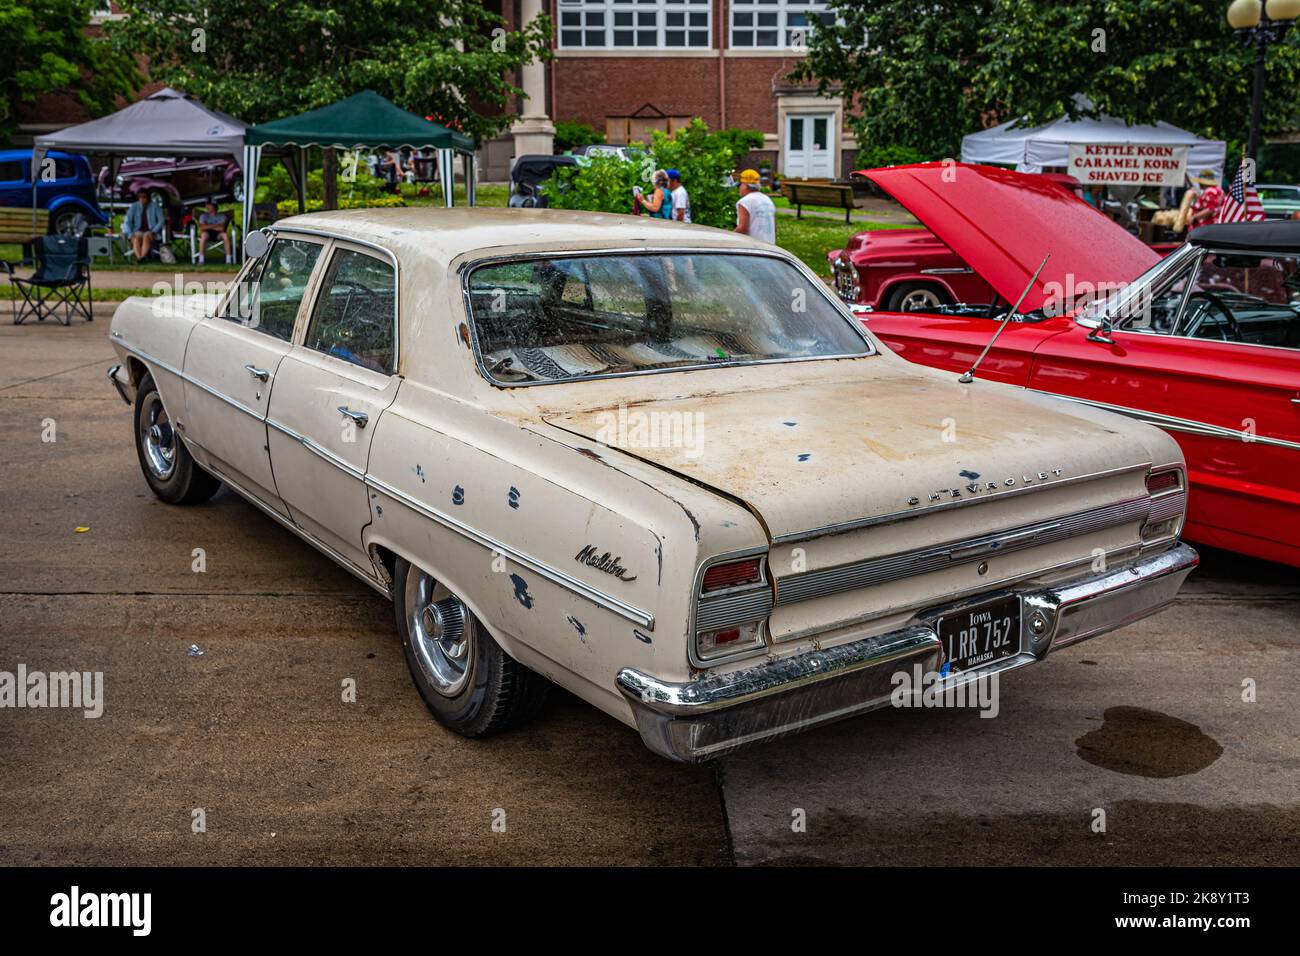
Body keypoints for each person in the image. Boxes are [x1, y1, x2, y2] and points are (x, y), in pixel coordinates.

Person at [734, 168, 775, 243]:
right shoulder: (767, 199)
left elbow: (742, 229)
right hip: (770, 247)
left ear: (745, 186)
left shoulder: (745, 201)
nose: (739, 188)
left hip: (753, 248)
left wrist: (730, 237)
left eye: (740, 185)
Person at [122, 189, 165, 261]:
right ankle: (140, 258)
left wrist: (154, 231)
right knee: (136, 238)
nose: (142, 199)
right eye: (140, 197)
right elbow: (127, 221)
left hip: (151, 231)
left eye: (144, 197)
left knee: (146, 236)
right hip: (137, 230)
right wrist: (130, 233)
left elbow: (161, 220)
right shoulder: (134, 206)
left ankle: (141, 258)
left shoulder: (155, 206)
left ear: (148, 198)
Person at [196, 199, 233, 264]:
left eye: (209, 205)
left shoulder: (222, 216)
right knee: (203, 235)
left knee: (225, 235)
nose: (207, 206)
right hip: (207, 233)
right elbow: (202, 227)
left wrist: (208, 225)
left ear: (214, 206)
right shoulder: (203, 216)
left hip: (219, 234)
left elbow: (221, 228)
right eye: (207, 205)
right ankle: (201, 259)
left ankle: (228, 259)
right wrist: (216, 225)